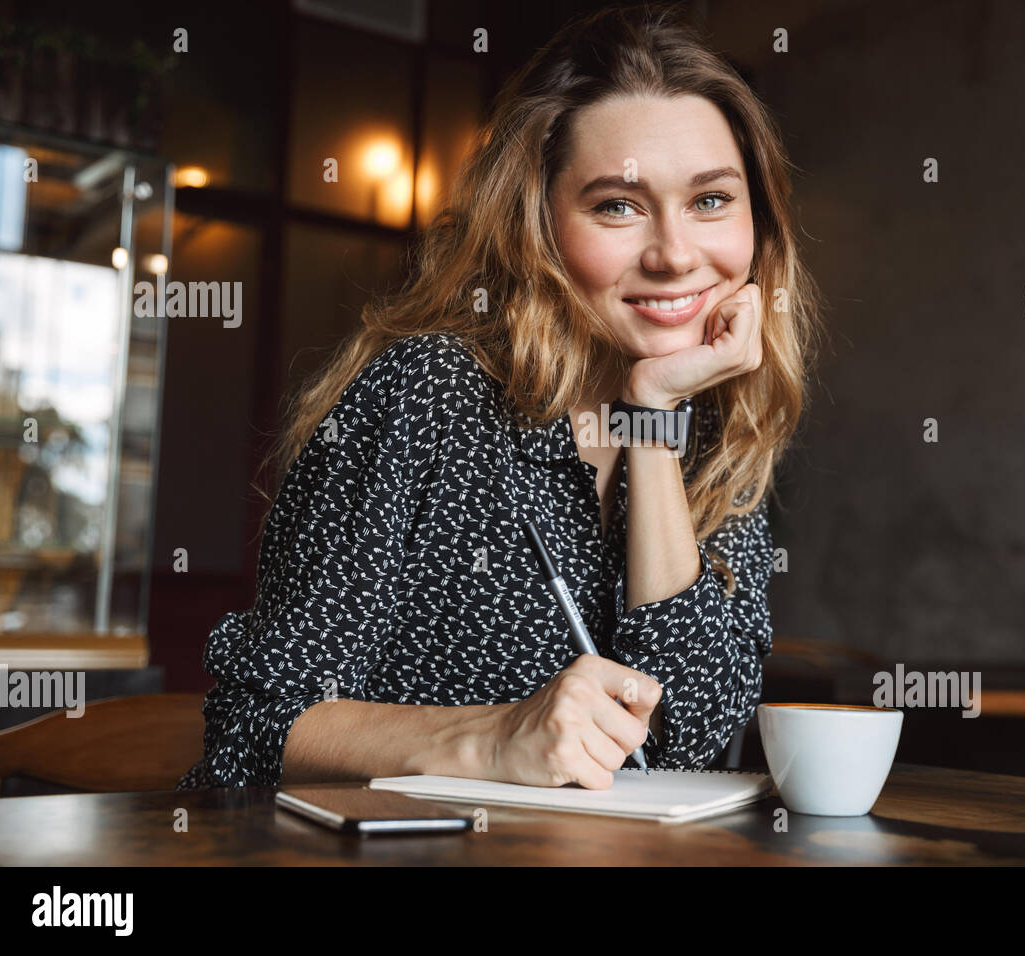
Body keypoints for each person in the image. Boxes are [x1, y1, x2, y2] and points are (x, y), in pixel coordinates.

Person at [177, 2, 823, 791]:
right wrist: (491, 738)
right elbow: (250, 729)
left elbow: (686, 731)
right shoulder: (428, 395)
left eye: (711, 200)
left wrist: (652, 420)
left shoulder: (715, 430)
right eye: (617, 205)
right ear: (537, 223)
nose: (675, 253)